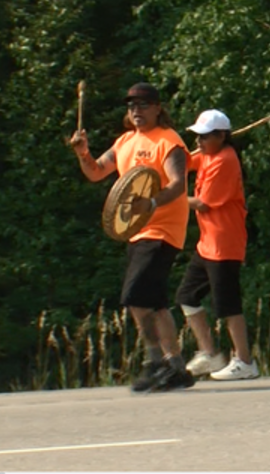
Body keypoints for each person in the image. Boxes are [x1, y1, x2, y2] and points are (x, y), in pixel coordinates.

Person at [69, 82, 195, 391]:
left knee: (135, 296)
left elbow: (178, 184)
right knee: (154, 301)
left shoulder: (169, 142)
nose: (136, 111)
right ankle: (175, 367)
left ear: (157, 108)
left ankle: (156, 363)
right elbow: (97, 172)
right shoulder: (124, 141)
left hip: (163, 229)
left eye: (142, 105)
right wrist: (83, 153)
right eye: (131, 106)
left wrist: (151, 203)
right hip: (137, 231)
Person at [176, 109, 259, 381]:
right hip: (207, 243)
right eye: (197, 137)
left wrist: (166, 197)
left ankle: (244, 361)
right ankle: (209, 354)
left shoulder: (225, 160)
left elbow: (202, 203)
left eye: (204, 137)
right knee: (186, 296)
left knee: (227, 305)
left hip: (225, 242)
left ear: (222, 136)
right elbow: (186, 162)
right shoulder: (209, 154)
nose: (199, 142)